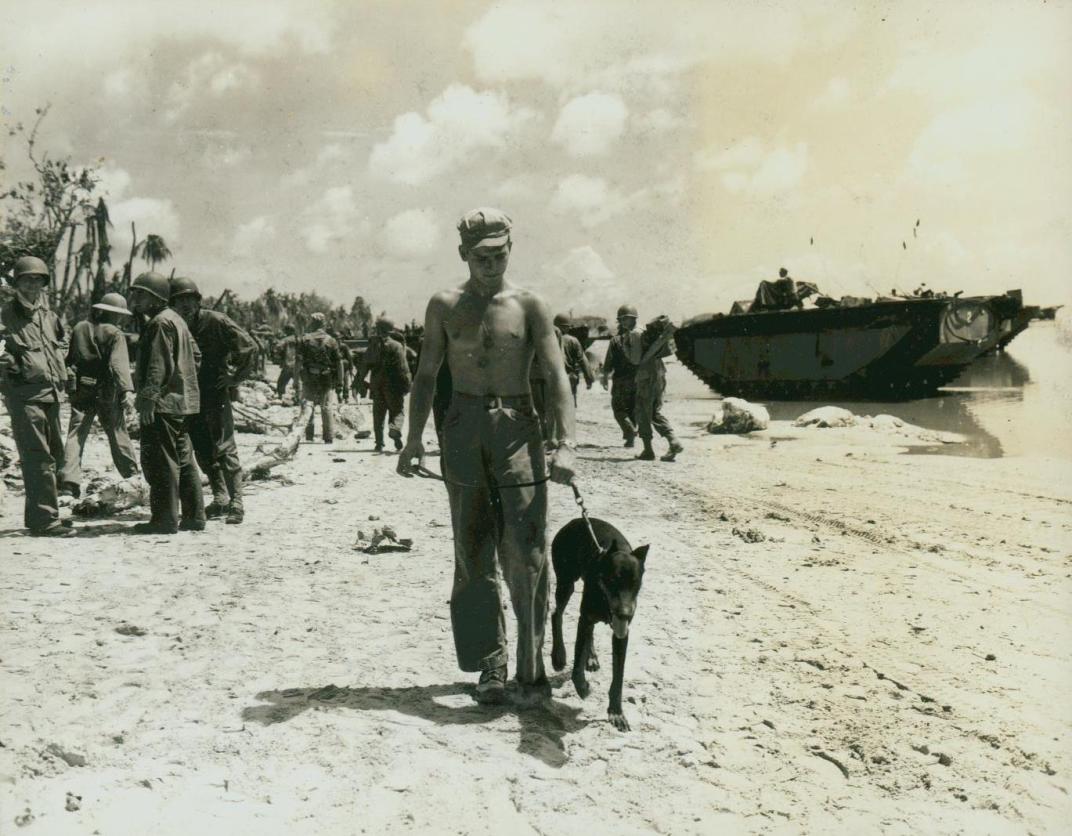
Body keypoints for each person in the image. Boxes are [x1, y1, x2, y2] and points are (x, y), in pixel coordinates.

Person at [397, 207, 576, 706]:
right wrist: (413, 439)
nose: (492, 264)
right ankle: (491, 664)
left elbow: (557, 374)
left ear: (510, 250)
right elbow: (427, 375)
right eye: (481, 256)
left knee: (527, 549)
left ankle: (531, 659)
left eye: (500, 253)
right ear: (463, 255)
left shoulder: (530, 304)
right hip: (462, 429)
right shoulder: (444, 305)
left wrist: (567, 445)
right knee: (472, 551)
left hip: (518, 429)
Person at [170, 276, 256, 525]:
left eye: (189, 299)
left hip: (215, 394)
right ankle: (220, 497)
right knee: (202, 448)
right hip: (189, 396)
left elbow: (248, 347)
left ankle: (237, 503)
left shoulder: (215, 320)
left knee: (224, 447)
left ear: (197, 301)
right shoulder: (174, 326)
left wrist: (234, 378)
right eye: (179, 300)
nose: (185, 305)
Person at [0, 256, 74, 536]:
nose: (33, 284)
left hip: (52, 394)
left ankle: (45, 514)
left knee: (54, 455)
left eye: (38, 279)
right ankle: (45, 520)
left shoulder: (50, 316)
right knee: (37, 456)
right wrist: (12, 364)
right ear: (16, 283)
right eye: (27, 279)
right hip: (24, 395)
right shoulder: (5, 315)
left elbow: (62, 343)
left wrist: (59, 363)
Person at [128, 271, 205, 534]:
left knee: (161, 462)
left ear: (155, 297)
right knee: (184, 459)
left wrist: (149, 398)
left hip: (164, 404)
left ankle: (164, 520)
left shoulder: (160, 323)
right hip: (182, 402)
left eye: (140, 293)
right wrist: (183, 383)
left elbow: (157, 366)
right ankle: (194, 517)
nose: (135, 298)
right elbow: (196, 355)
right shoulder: (178, 321)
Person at [58, 292, 139, 498]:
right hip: (106, 390)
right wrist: (127, 390)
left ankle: (69, 483)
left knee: (76, 434)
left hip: (82, 387)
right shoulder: (115, 334)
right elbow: (118, 365)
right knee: (117, 431)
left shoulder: (79, 327)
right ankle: (132, 475)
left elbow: (69, 358)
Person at [356, 317, 412, 451]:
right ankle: (395, 429)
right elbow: (403, 368)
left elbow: (364, 366)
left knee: (378, 415)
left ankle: (379, 443)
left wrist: (359, 382)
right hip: (394, 386)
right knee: (397, 411)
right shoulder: (397, 346)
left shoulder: (373, 345)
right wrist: (406, 385)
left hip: (376, 385)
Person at [634, 315, 684, 462]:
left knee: (643, 411)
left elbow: (635, 358)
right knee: (654, 410)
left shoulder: (636, 335)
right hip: (659, 373)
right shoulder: (645, 334)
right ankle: (669, 441)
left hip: (645, 376)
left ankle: (652, 448)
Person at [297, 311, 342, 443]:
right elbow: (339, 362)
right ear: (323, 324)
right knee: (326, 406)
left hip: (309, 376)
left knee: (307, 405)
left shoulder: (304, 339)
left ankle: (309, 435)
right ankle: (328, 437)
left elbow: (298, 361)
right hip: (326, 377)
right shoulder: (331, 341)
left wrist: (295, 380)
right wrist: (340, 380)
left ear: (312, 323)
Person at [601, 304, 642, 447]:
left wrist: (605, 377)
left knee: (618, 409)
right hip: (638, 379)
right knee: (632, 408)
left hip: (621, 381)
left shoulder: (616, 340)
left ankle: (629, 431)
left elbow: (608, 362)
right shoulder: (641, 336)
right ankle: (630, 438)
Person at [553, 314, 594, 407]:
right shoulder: (573, 340)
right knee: (570, 403)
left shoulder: (548, 340)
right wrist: (589, 378)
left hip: (553, 377)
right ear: (567, 327)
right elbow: (583, 361)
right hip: (570, 376)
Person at [274, 324, 301, 400]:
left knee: (281, 382)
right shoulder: (299, 339)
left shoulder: (285, 339)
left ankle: (280, 396)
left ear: (288, 330)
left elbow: (277, 348)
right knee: (298, 382)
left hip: (288, 364)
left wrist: (278, 356)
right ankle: (299, 398)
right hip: (297, 364)